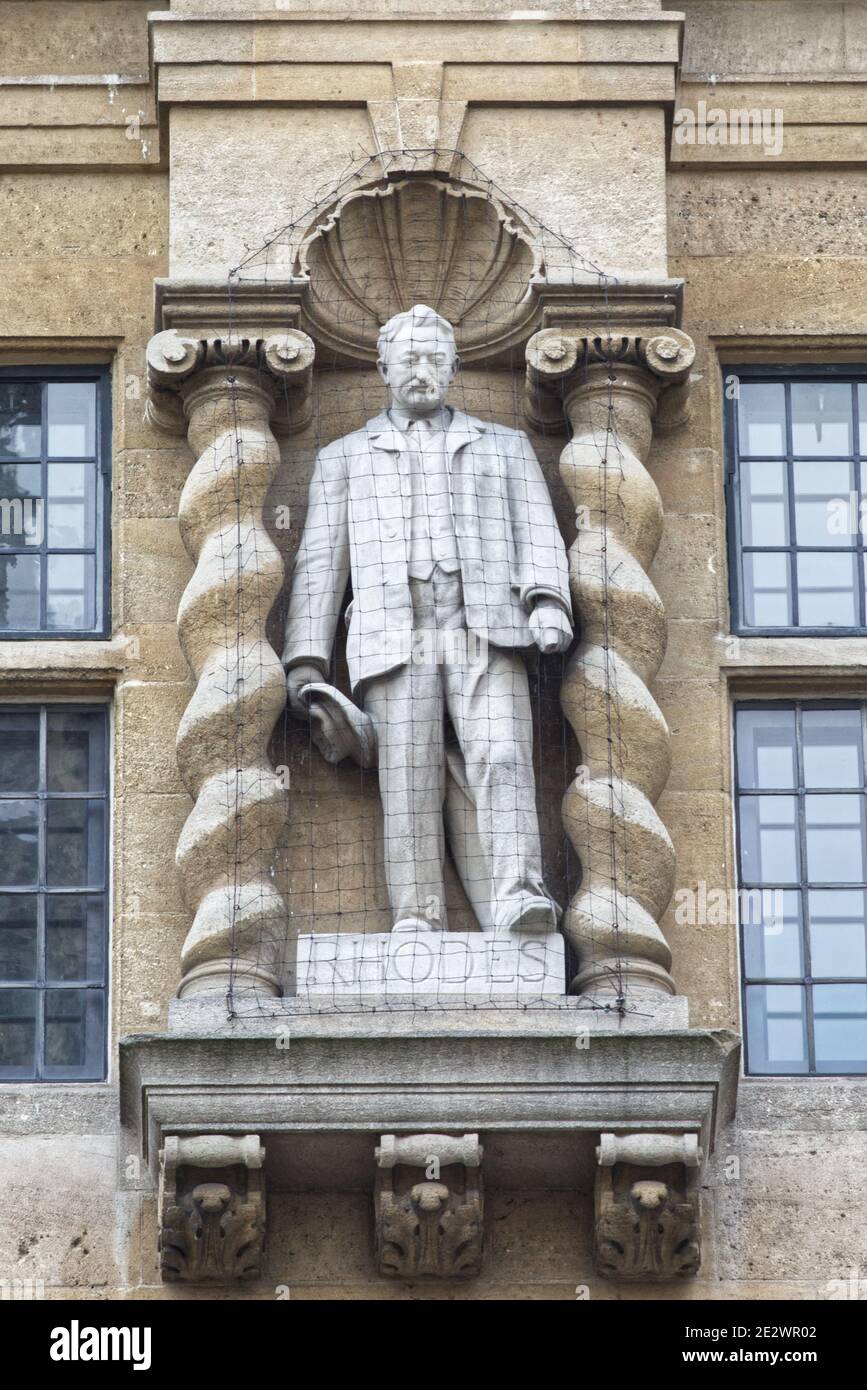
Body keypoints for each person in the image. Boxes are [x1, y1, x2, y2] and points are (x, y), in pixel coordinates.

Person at [283, 304, 572, 935]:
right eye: (409, 359)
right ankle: (416, 918)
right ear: (383, 367)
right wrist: (306, 661)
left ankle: (520, 892)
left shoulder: (505, 446)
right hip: (393, 632)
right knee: (407, 778)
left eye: (435, 358)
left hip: (484, 627)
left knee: (501, 753)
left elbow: (539, 532)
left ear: (455, 366)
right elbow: (319, 564)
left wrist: (549, 600)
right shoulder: (345, 457)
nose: (422, 371)